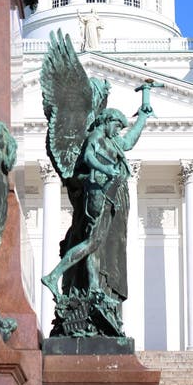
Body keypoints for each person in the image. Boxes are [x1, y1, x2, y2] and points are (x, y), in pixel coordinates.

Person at [42, 104, 151, 311]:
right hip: (97, 192)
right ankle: (53, 275)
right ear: (108, 121)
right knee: (92, 242)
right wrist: (106, 168)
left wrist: (142, 119)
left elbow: (128, 141)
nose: (118, 131)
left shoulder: (111, 140)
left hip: (106, 191)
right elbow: (88, 158)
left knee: (95, 244)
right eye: (117, 126)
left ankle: (93, 289)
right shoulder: (96, 136)